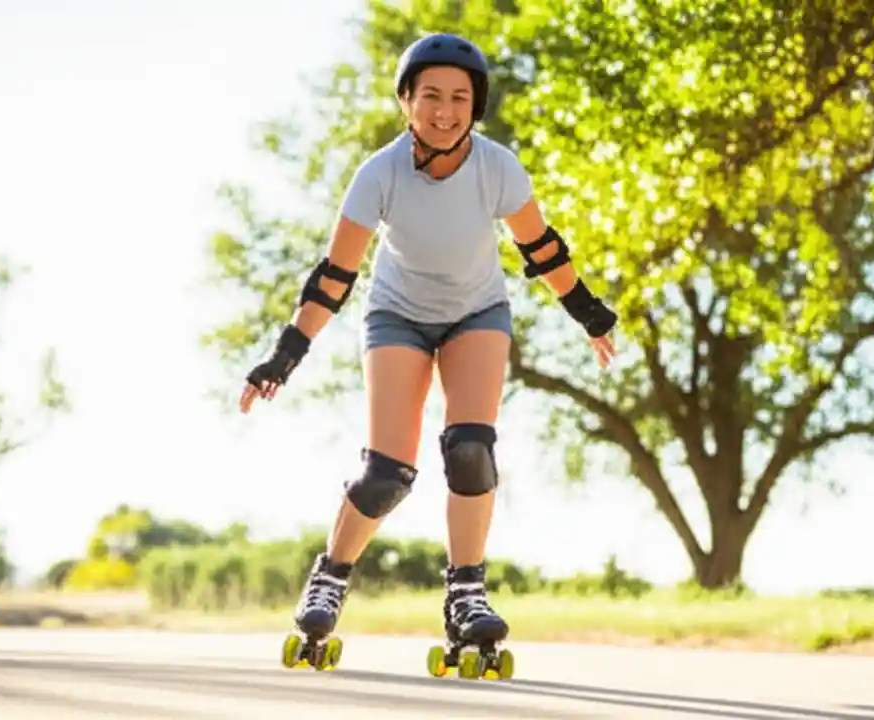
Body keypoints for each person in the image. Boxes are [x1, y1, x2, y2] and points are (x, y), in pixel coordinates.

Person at [239, 33, 617, 653]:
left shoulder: (498, 168)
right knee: (387, 473)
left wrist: (591, 315)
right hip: (398, 317)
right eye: (431, 96)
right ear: (407, 102)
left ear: (477, 105)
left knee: (471, 451)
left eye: (460, 98)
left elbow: (541, 248)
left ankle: (466, 594)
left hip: (477, 314)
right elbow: (334, 278)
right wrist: (284, 356)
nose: (445, 110)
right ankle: (330, 578)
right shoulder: (378, 175)